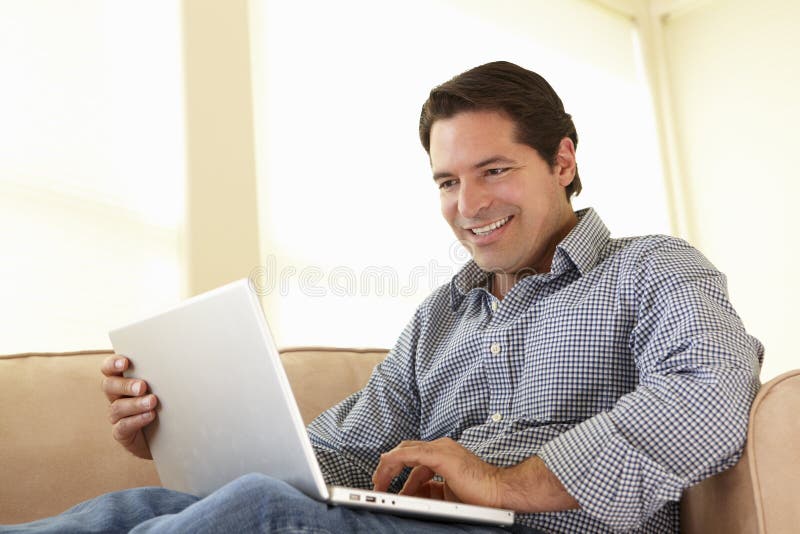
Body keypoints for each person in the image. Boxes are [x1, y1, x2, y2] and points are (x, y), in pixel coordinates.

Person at [7, 61, 762, 533]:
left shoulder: (652, 270)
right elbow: (342, 453)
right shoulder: (440, 318)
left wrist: (503, 481)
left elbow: (709, 391)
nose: (468, 204)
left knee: (259, 514)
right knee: (132, 510)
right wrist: (188, 432)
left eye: (494, 170)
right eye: (447, 181)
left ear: (562, 161)